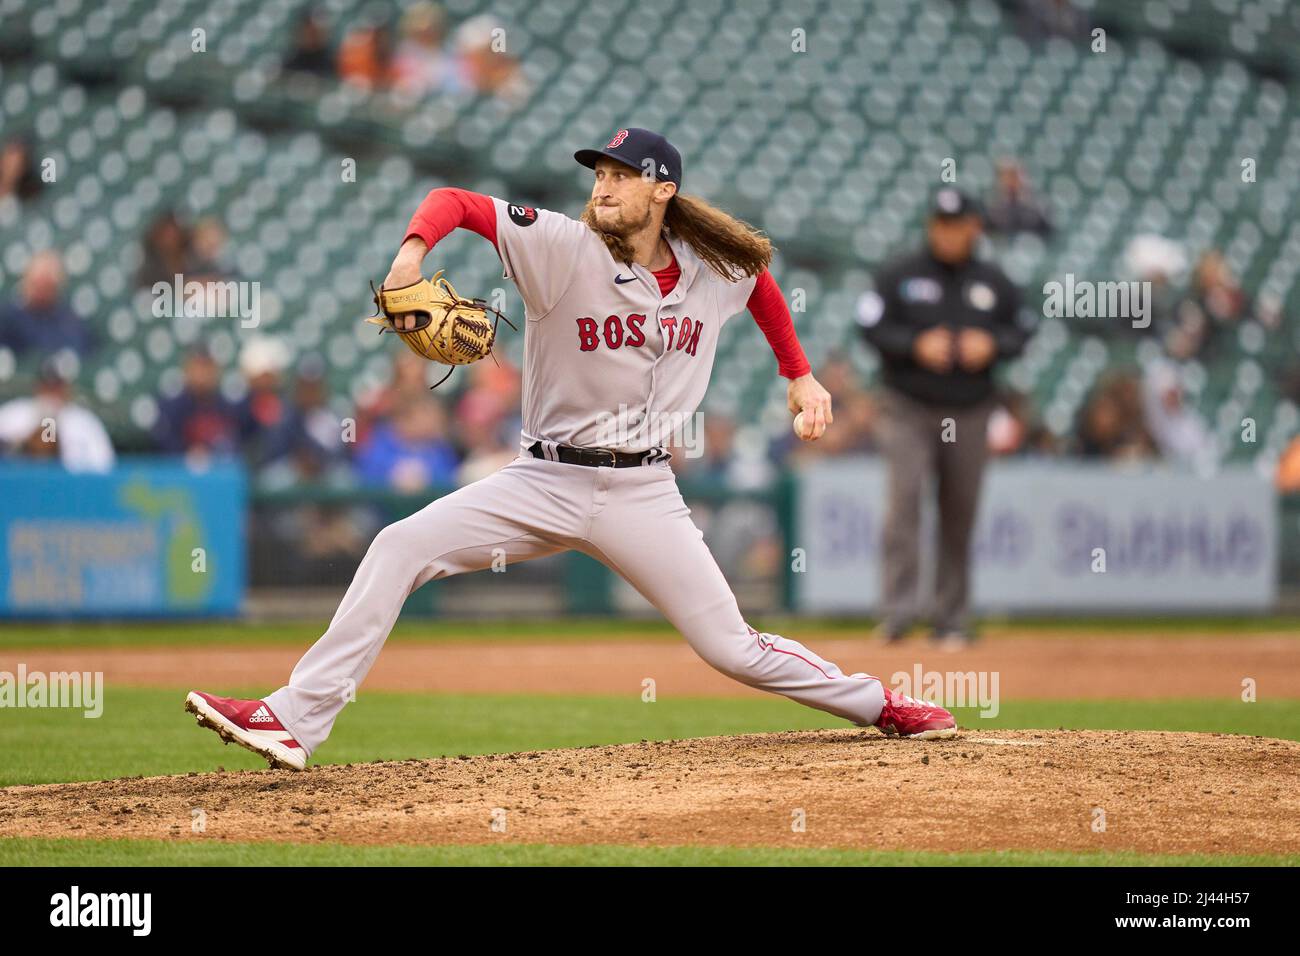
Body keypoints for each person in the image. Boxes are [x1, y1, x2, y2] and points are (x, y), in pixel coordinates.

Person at [184, 127, 956, 770]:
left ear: (663, 193)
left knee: (733, 649)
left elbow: (756, 280)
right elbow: (457, 202)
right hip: (542, 479)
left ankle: (880, 704)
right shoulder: (561, 247)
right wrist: (409, 258)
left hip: (643, 495)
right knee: (399, 544)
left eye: (622, 175)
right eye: (599, 172)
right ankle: (293, 718)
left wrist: (800, 375)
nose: (603, 185)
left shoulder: (708, 272)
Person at [857, 188, 1033, 648]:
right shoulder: (899, 273)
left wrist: (993, 344)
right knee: (905, 502)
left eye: (958, 224)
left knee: (960, 510)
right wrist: (914, 344)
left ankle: (951, 617)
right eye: (941, 223)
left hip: (972, 408)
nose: (949, 233)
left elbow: (1024, 329)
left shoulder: (995, 281)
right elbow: (869, 326)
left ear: (974, 227)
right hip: (908, 405)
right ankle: (897, 613)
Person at [0, 360, 114, 472]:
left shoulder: (84, 422)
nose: (52, 393)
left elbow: (104, 466)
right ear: (37, 386)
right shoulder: (13, 414)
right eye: (47, 386)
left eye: (56, 387)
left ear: (66, 388)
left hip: (70, 487)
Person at [0, 251, 96, 358]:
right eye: (35, 283)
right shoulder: (8, 317)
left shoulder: (68, 324)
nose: (38, 291)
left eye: (45, 286)